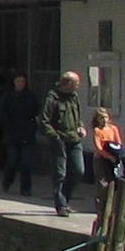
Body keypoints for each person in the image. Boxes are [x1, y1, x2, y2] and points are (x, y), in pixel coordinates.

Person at [41, 71, 86, 215]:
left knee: (78, 170)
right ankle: (60, 205)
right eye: (76, 83)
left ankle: (65, 199)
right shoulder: (52, 98)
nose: (78, 86)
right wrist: (54, 136)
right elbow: (43, 120)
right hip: (59, 139)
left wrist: (81, 126)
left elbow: (78, 116)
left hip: (74, 139)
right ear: (68, 84)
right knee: (60, 173)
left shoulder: (74, 97)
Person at [0, 72, 41, 194]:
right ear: (14, 82)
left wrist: (34, 125)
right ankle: (7, 180)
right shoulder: (7, 97)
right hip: (12, 134)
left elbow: (36, 112)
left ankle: (25, 188)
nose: (20, 84)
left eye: (22, 82)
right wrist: (8, 129)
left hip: (28, 134)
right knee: (13, 160)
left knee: (27, 162)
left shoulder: (30, 96)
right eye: (18, 81)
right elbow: (2, 115)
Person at [89, 105, 125, 207]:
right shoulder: (97, 131)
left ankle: (111, 204)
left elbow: (118, 143)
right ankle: (100, 204)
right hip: (100, 158)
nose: (104, 120)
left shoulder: (113, 129)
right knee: (101, 182)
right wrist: (108, 156)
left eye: (105, 117)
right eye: (101, 117)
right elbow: (98, 147)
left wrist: (116, 155)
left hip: (113, 158)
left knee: (113, 181)